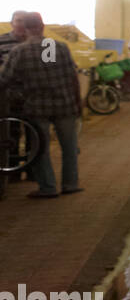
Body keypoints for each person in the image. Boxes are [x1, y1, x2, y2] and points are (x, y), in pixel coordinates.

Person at [0, 12, 82, 198]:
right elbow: (71, 77)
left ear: (25, 29)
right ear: (43, 26)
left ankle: (48, 187)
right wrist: (78, 101)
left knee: (40, 149)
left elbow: (4, 79)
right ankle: (70, 184)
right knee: (69, 147)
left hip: (37, 107)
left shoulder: (19, 51)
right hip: (64, 104)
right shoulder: (55, 46)